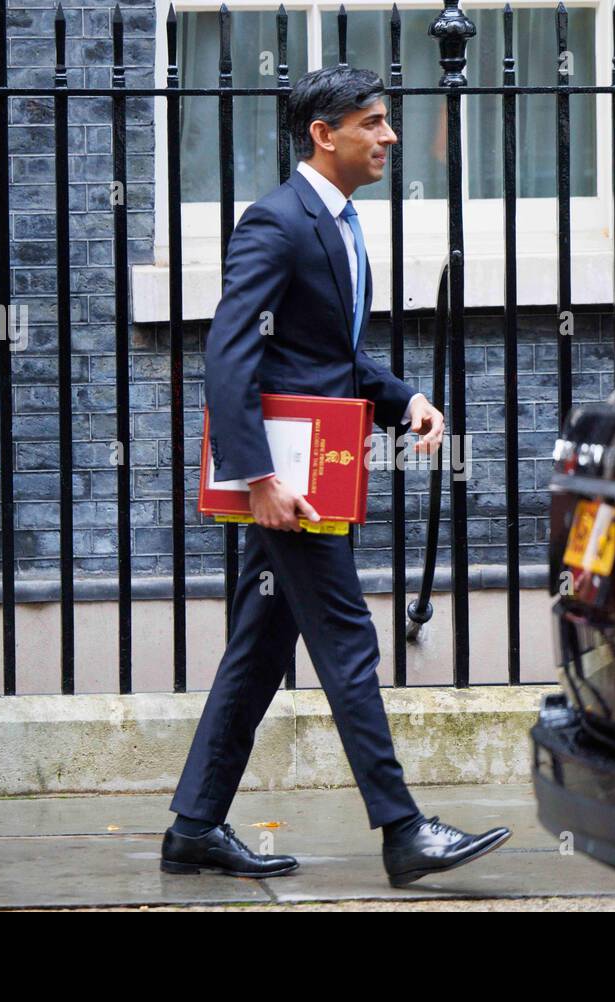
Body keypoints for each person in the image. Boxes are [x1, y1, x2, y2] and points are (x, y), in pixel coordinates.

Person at [162, 65, 511, 888]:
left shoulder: (342, 226)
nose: (390, 138)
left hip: (314, 470)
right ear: (325, 134)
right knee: (349, 639)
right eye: (374, 123)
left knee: (257, 648)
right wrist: (255, 477)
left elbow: (331, 359)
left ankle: (194, 827)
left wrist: (407, 399)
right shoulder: (276, 224)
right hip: (293, 484)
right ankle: (402, 829)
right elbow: (229, 355)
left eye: (387, 123)